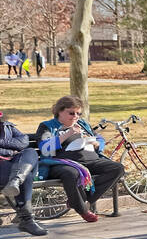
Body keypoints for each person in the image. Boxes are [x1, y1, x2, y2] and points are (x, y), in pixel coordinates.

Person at [35, 95, 125, 223]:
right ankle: (82, 210)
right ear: (60, 111)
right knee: (72, 173)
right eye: (71, 113)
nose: (75, 116)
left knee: (117, 168)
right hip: (63, 163)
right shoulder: (48, 126)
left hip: (91, 160)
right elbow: (45, 148)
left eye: (78, 113)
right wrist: (68, 133)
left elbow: (99, 138)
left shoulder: (82, 123)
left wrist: (97, 143)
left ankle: (79, 200)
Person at [0, 112, 47, 236]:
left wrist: (2, 143)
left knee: (30, 152)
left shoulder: (6, 126)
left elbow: (24, 141)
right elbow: (16, 144)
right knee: (26, 175)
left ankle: (16, 180)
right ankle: (27, 220)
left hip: (13, 164)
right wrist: (11, 151)